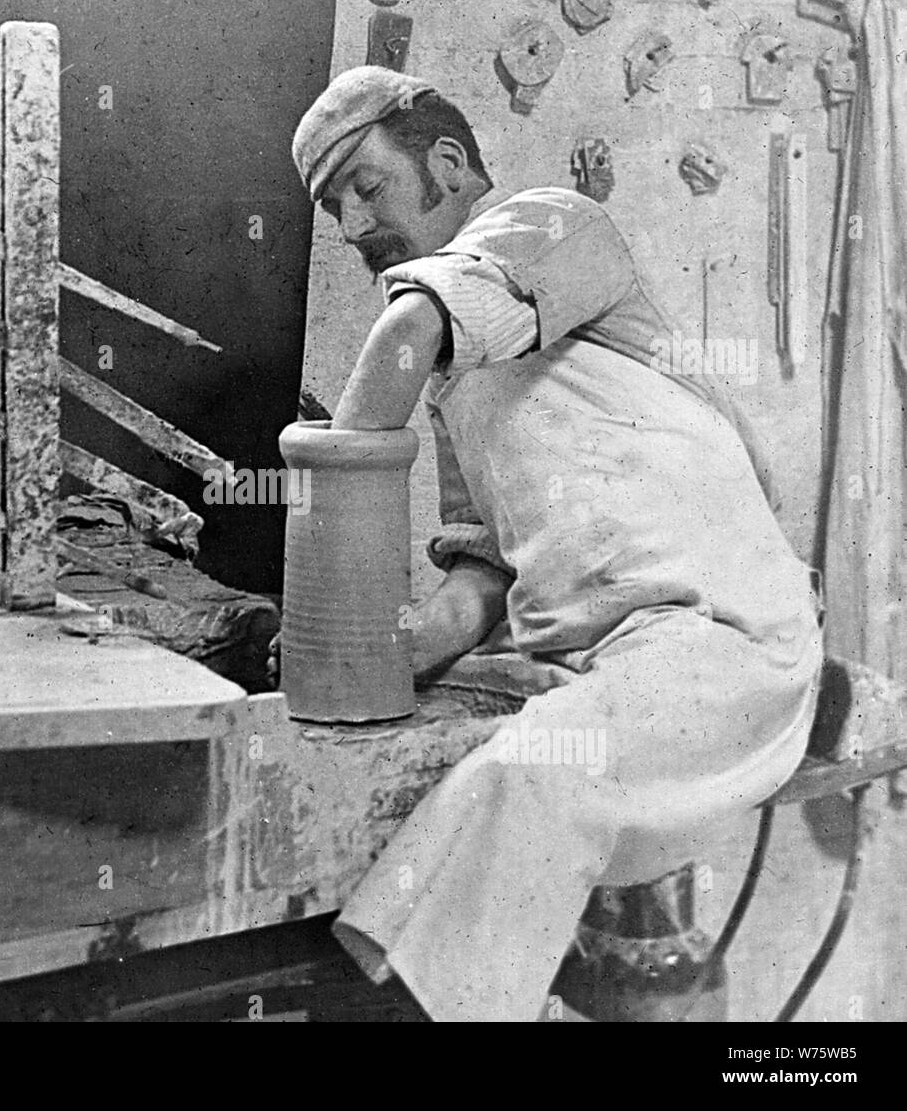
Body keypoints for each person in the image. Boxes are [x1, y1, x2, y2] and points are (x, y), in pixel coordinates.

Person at [288, 66, 825, 1021]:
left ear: (448, 163)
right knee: (474, 794)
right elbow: (481, 575)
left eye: (364, 187)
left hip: (725, 641)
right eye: (333, 206)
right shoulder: (459, 378)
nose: (349, 226)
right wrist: (395, 648)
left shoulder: (557, 227)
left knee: (534, 779)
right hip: (602, 659)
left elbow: (408, 331)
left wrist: (336, 466)